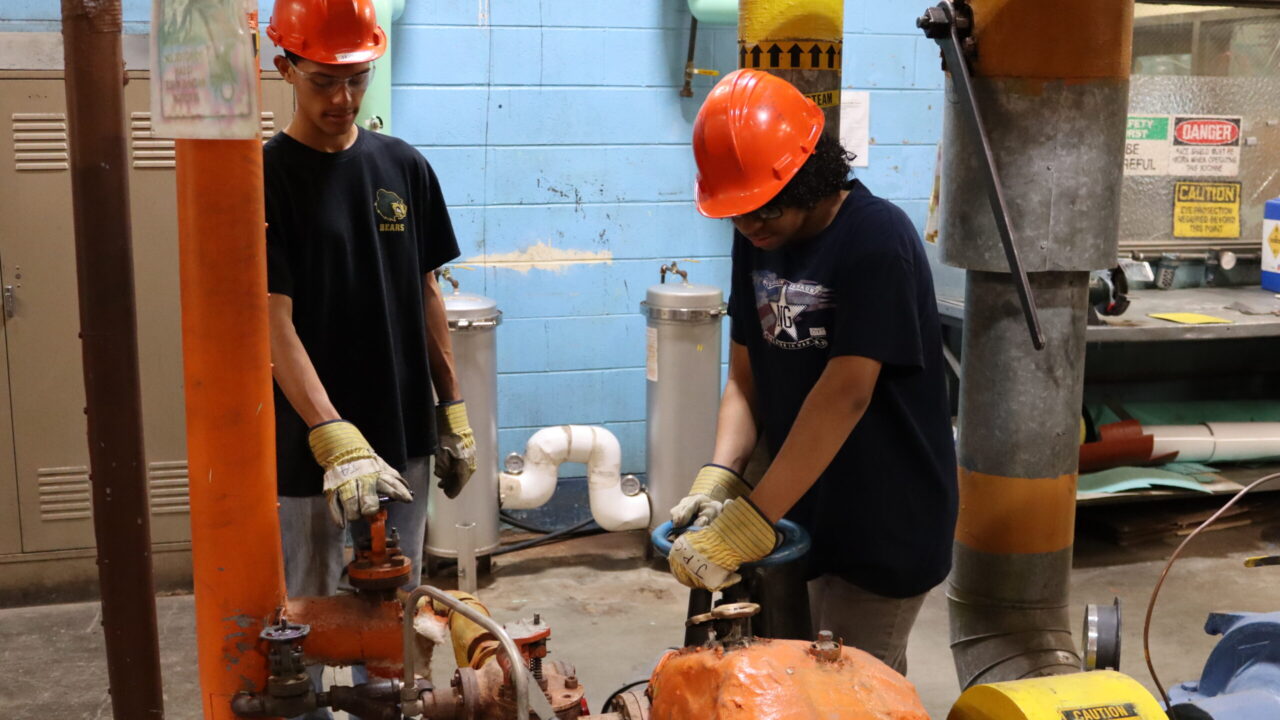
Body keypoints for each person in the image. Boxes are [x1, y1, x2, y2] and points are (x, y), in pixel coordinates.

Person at [667, 69, 958, 676]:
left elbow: (845, 394)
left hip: (885, 518)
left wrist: (749, 522)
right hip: (799, 509)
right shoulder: (759, 236)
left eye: (763, 209)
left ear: (810, 174)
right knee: (791, 683)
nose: (750, 226)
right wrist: (720, 477)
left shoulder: (877, 239)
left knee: (851, 693)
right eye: (736, 214)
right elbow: (745, 377)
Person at [263, 0, 476, 714]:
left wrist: (451, 408)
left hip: (401, 433)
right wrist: (331, 435)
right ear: (285, 67)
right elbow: (271, 320)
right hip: (310, 450)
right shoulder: (267, 177)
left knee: (391, 617)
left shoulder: (403, 166)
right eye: (324, 80)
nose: (343, 98)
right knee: (307, 619)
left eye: (357, 78)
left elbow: (426, 292)